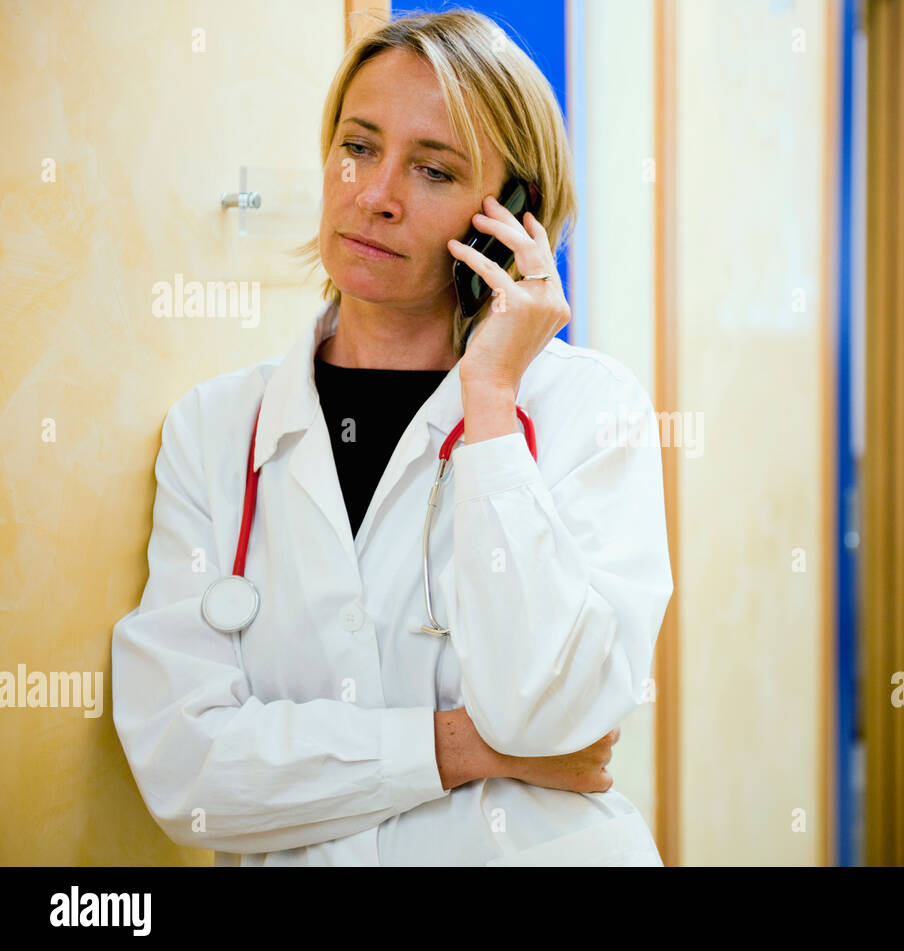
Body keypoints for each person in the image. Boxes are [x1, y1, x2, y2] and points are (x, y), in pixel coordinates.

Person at [110, 9, 672, 866]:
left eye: (433, 169)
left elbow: (555, 717)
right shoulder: (216, 430)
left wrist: (487, 402)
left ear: (508, 212)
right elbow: (188, 776)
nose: (375, 192)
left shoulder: (588, 411)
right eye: (359, 146)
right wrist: (462, 750)